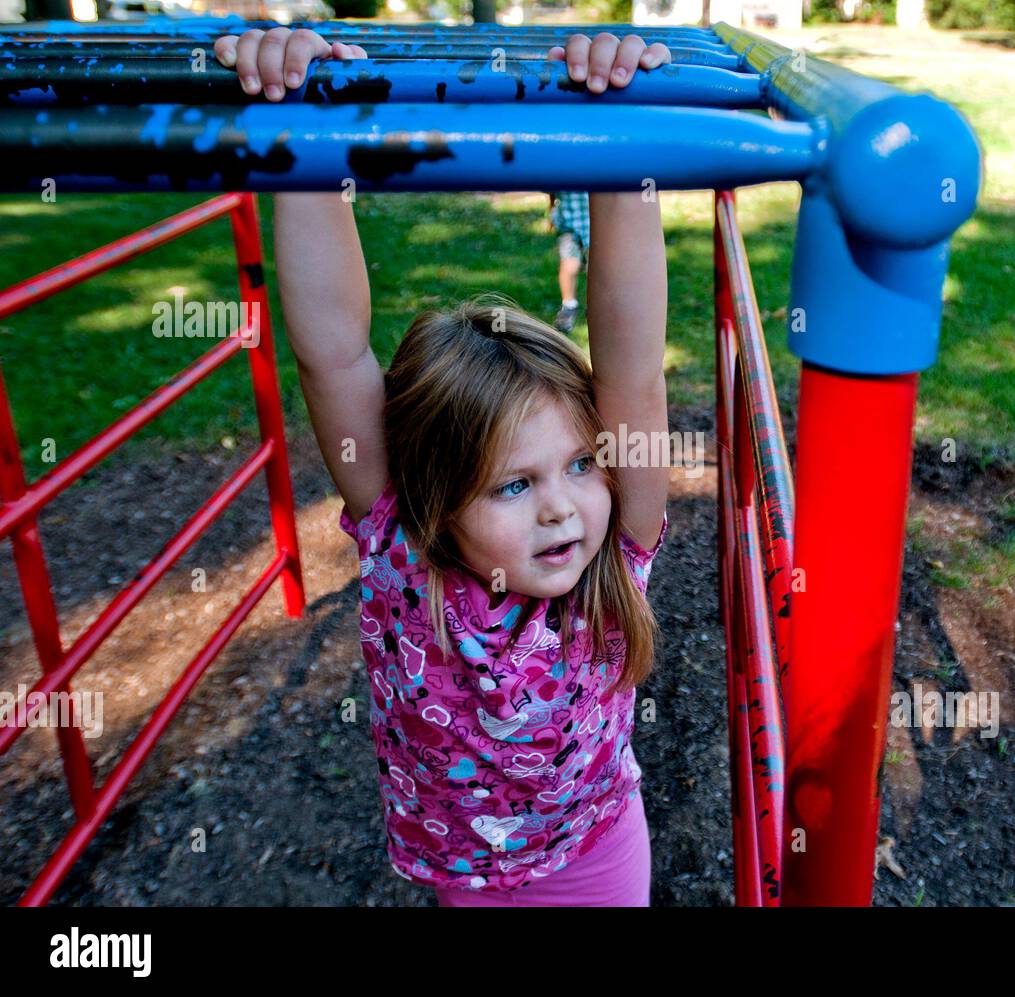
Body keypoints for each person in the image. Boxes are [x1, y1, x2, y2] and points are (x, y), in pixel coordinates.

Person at [213, 27, 673, 907]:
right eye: (512, 483)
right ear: (433, 501)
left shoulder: (616, 553)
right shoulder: (402, 549)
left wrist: (621, 145)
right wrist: (298, 126)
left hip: (595, 857)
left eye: (580, 464)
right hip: (458, 875)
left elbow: (633, 369)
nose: (562, 509)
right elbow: (334, 357)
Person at [548, 190, 589, 333]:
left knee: (598, 268)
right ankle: (569, 305)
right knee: (569, 266)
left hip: (595, 226)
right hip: (569, 228)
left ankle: (595, 306)